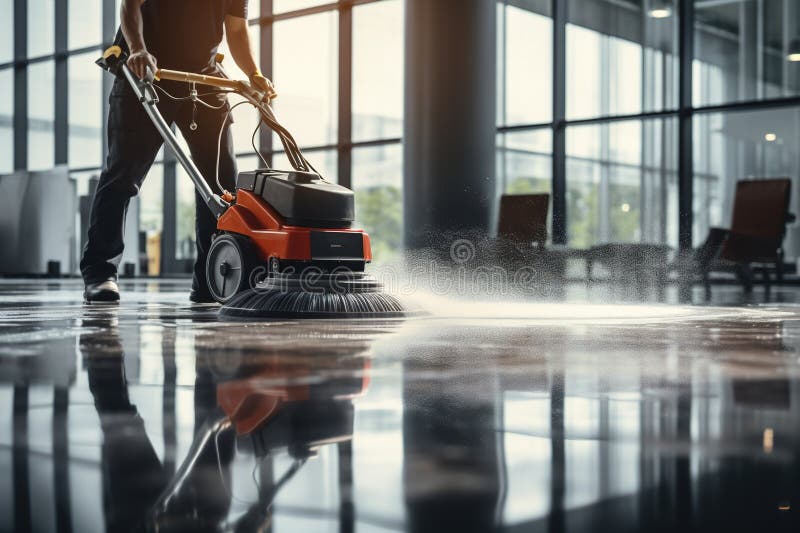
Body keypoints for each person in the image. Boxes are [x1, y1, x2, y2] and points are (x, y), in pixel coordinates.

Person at [81, 0, 275, 303]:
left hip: (203, 77)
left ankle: (211, 279)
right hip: (144, 70)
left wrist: (254, 74)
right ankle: (100, 272)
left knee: (220, 185)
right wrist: (137, 48)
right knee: (123, 176)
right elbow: (130, 6)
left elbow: (236, 29)